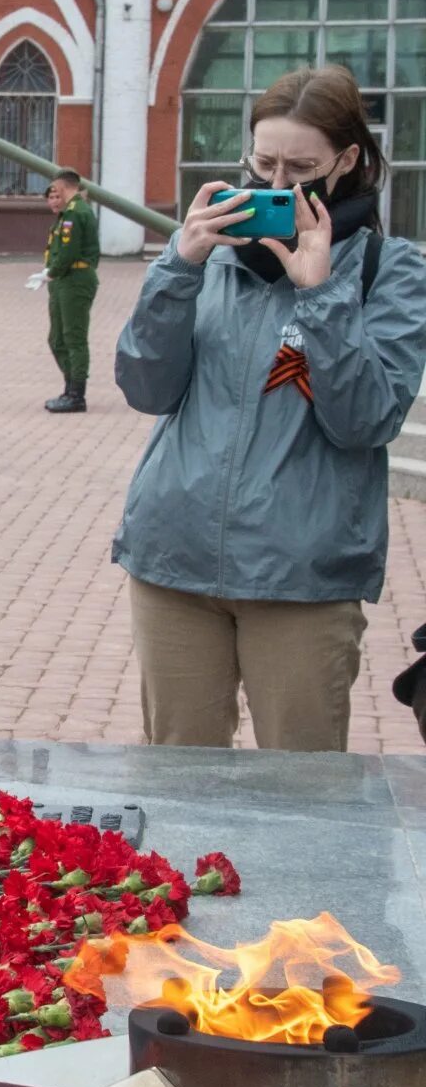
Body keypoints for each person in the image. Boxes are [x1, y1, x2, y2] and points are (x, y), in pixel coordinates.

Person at [114, 63, 426, 753]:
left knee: (302, 797)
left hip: (301, 575)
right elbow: (146, 388)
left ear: (347, 160)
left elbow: (366, 420)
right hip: (174, 557)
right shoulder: (213, 252)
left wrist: (319, 295)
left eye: (302, 166)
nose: (278, 186)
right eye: (263, 162)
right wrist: (179, 266)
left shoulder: (390, 269)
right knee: (180, 784)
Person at [41, 169, 100, 414]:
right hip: (64, 279)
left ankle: (77, 394)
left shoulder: (75, 213)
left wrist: (51, 272)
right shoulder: (69, 212)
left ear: (63, 187)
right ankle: (69, 386)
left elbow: (68, 251)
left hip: (74, 279)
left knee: (73, 337)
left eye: (57, 189)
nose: (56, 195)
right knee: (57, 338)